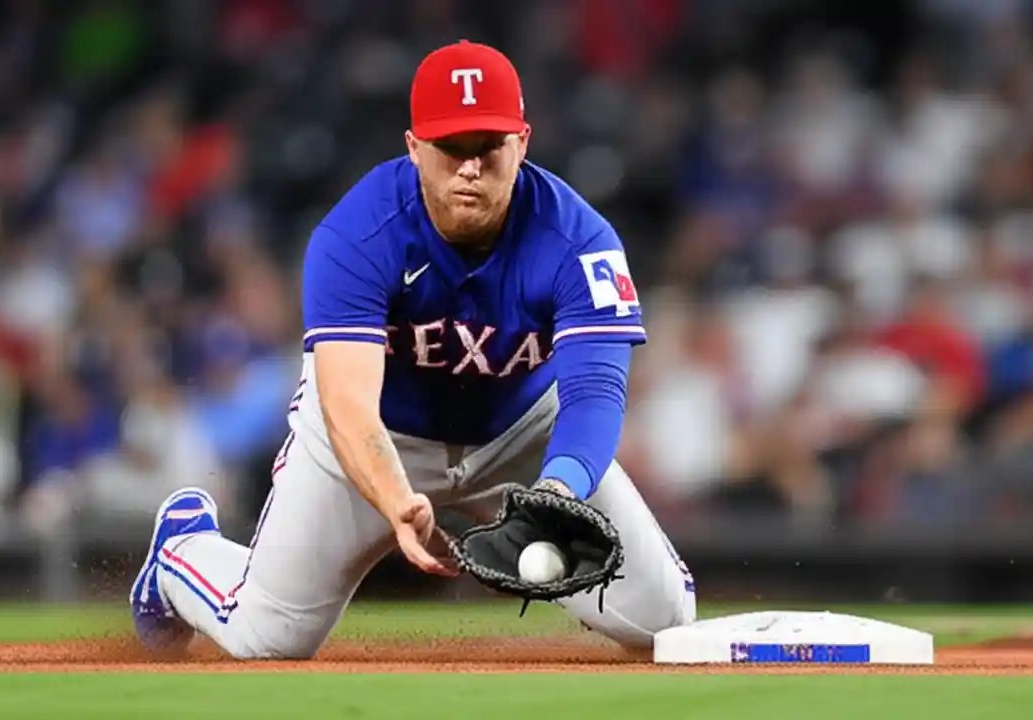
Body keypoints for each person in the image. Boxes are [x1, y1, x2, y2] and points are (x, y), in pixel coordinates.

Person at [129, 40, 696, 659]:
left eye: (488, 146)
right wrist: (394, 497)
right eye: (451, 148)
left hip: (521, 435)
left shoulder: (580, 239)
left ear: (523, 143)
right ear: (414, 147)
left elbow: (595, 392)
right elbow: (345, 400)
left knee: (664, 622)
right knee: (268, 637)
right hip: (378, 436)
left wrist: (557, 495)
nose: (470, 167)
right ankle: (182, 550)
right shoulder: (357, 233)